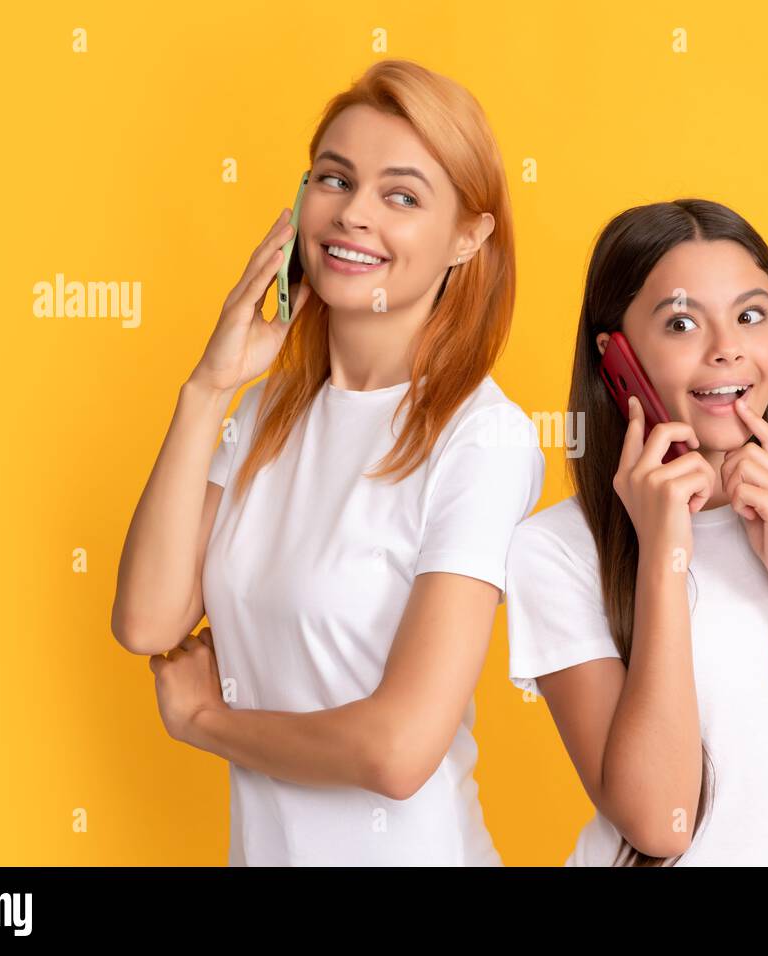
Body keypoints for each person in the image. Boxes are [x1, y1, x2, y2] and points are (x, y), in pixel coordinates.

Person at [111, 59, 543, 865]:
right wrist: (206, 390)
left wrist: (208, 723)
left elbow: (399, 750)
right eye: (335, 180)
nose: (354, 216)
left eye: (402, 196)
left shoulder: (481, 439)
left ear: (467, 236)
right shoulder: (264, 412)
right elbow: (148, 620)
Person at [504, 199, 768, 866]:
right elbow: (659, 823)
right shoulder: (558, 551)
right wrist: (664, 558)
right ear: (615, 355)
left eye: (750, 315)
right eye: (682, 322)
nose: (728, 348)